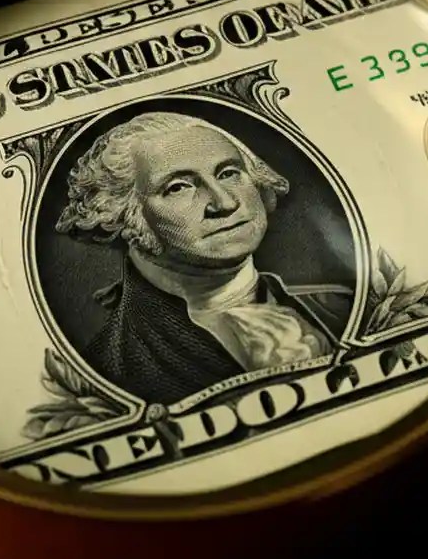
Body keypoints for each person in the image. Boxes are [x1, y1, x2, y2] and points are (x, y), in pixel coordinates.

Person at [54, 110, 352, 406]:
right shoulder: (106, 374)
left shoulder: (342, 307)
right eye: (178, 187)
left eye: (228, 173)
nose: (225, 202)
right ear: (121, 213)